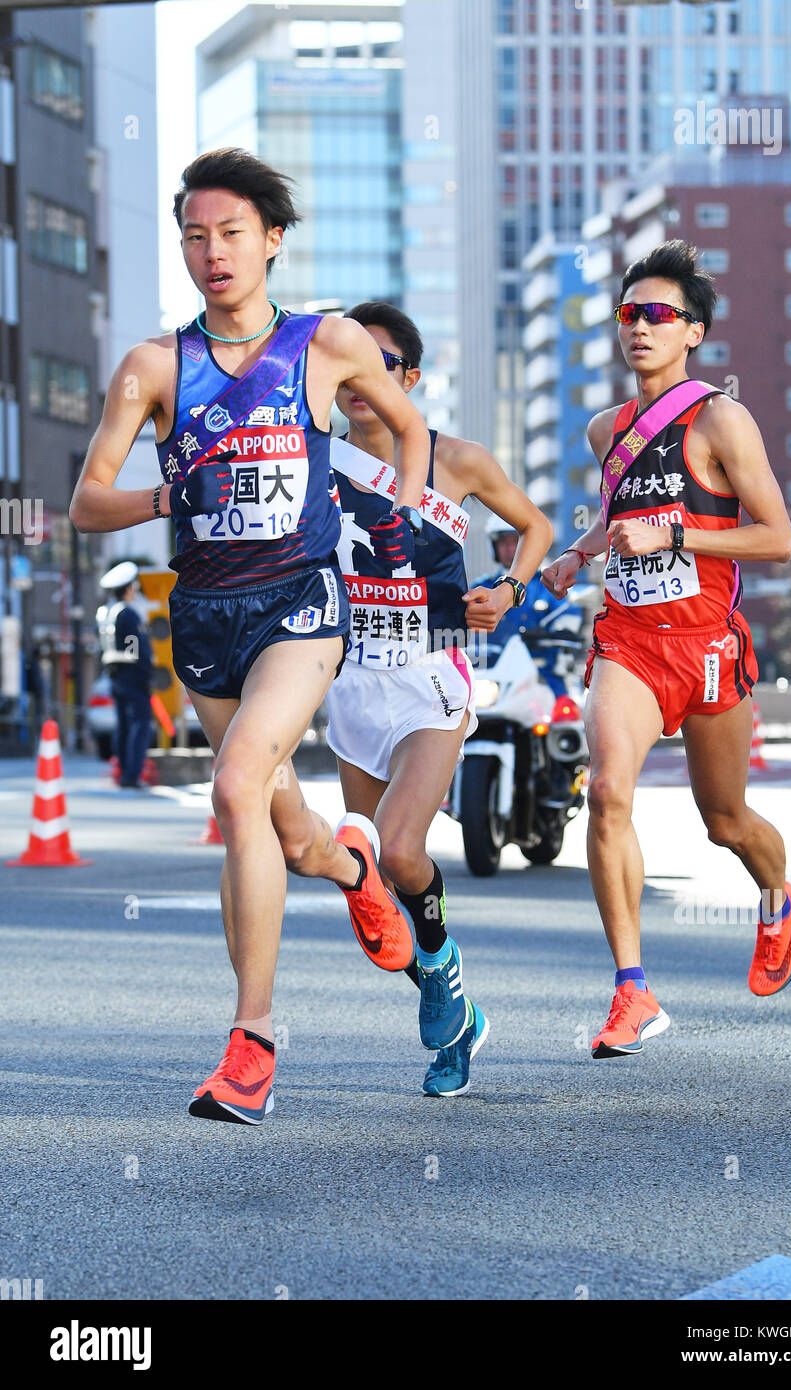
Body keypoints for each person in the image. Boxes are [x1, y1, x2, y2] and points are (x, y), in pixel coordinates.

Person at [70, 148, 432, 1126]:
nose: (212, 252)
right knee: (285, 826)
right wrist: (166, 493)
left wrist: (396, 511)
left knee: (232, 786)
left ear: (272, 239)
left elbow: (408, 428)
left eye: (231, 233)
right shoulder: (155, 367)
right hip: (205, 617)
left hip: (300, 607)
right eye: (194, 236)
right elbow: (84, 502)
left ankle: (253, 1040)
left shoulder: (327, 344)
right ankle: (351, 868)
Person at [542, 239, 791, 1059]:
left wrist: (676, 529)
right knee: (609, 790)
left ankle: (776, 895)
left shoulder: (723, 418)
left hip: (708, 644)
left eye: (658, 314)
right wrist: (581, 552)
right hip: (629, 643)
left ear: (693, 331)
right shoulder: (602, 430)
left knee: (724, 820)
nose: (639, 327)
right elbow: (621, 517)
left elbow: (779, 538)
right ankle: (632, 990)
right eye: (628, 314)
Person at [326, 301, 552, 1095]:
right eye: (348, 363)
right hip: (350, 686)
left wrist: (511, 589)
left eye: (379, 363)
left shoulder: (457, 460)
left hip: (432, 679)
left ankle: (445, 971)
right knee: (380, 885)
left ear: (411, 378)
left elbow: (537, 527)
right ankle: (456, 1012)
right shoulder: (315, 467)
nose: (361, 379)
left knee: (399, 847)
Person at [474, 514, 585, 699]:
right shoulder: (482, 588)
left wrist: (559, 630)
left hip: (542, 674)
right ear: (494, 547)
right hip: (493, 676)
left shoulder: (547, 583)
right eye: (503, 543)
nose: (509, 549)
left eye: (514, 542)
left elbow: (568, 615)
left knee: (566, 720)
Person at [96, 560, 153, 788]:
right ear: (129, 589)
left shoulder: (104, 613)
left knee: (123, 725)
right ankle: (132, 774)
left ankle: (122, 771)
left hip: (114, 675)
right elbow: (136, 650)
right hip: (133, 676)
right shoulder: (127, 614)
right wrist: (148, 674)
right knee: (140, 725)